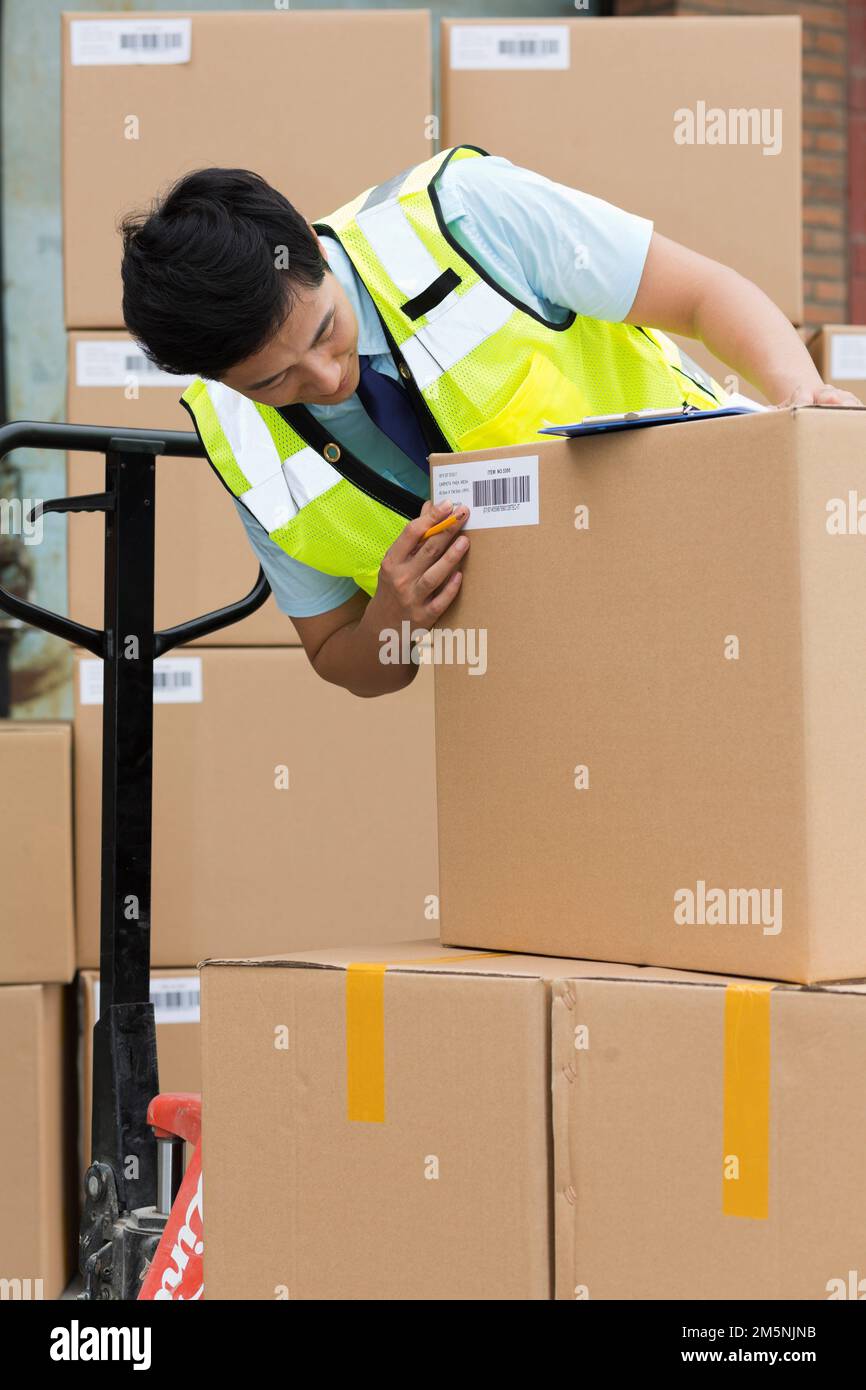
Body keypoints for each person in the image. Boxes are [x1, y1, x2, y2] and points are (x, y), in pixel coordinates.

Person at [120, 146, 861, 697]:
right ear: (217, 377)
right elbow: (338, 654)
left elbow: (701, 296)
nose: (324, 378)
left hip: (726, 553)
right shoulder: (239, 442)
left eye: (324, 332)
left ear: (312, 249)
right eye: (273, 381)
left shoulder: (463, 215)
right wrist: (392, 620)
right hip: (551, 686)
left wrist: (803, 394)